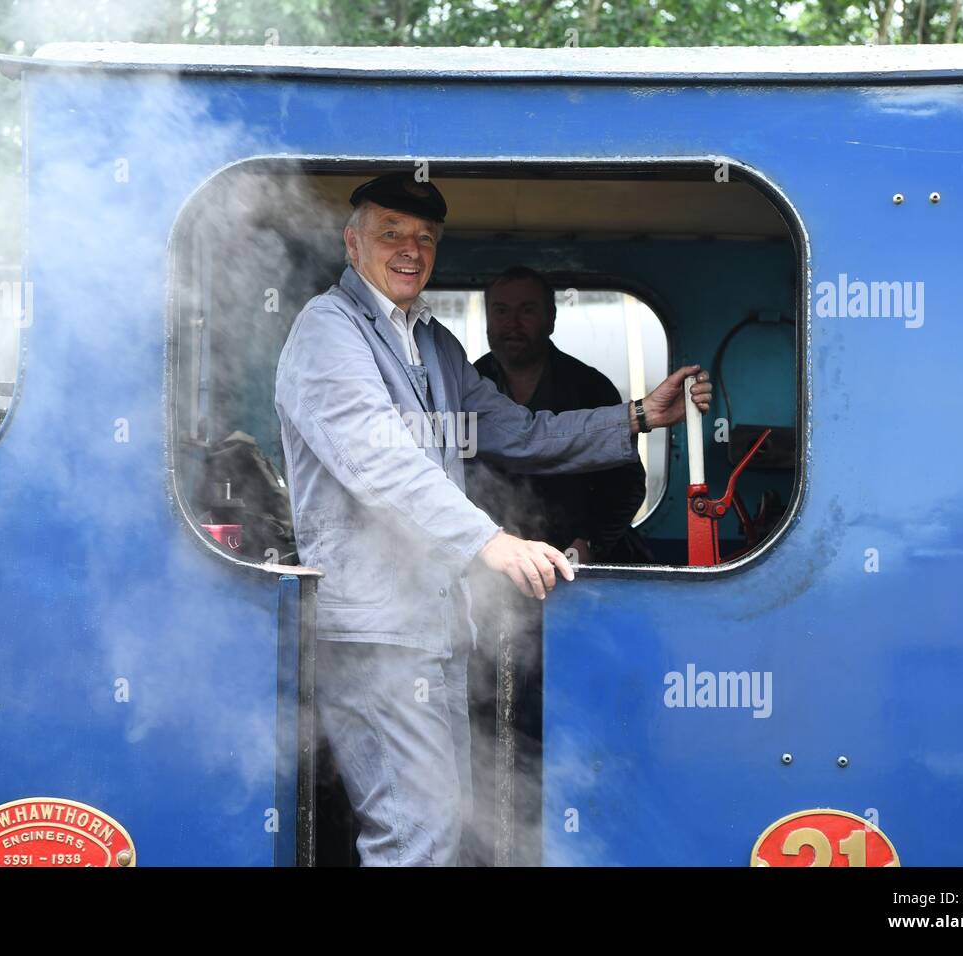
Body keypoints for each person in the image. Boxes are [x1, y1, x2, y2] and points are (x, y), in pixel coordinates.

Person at [274, 172, 712, 866]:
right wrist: (491, 541)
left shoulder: (433, 342)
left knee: (439, 825)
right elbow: (380, 464)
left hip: (436, 627)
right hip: (380, 633)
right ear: (352, 244)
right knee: (415, 834)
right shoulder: (328, 332)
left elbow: (516, 430)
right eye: (392, 234)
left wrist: (635, 417)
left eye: (425, 238)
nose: (411, 250)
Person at [471, 265, 648, 565]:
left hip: (574, 558)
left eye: (526, 310)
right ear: (487, 320)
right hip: (494, 559)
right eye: (500, 311)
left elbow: (626, 485)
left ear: (550, 320)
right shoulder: (467, 384)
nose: (512, 324)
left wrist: (591, 540)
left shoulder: (590, 387)